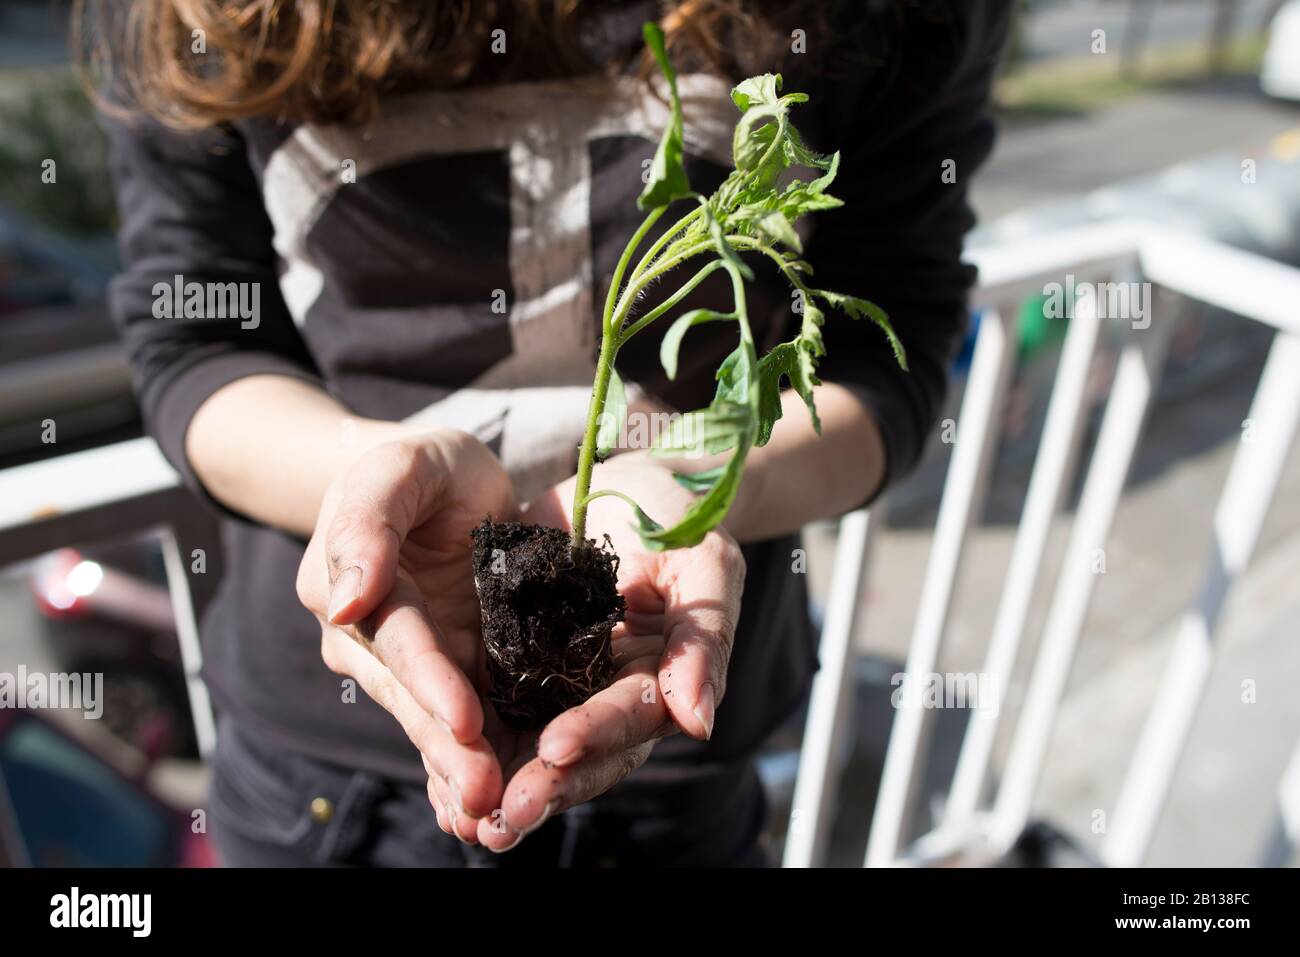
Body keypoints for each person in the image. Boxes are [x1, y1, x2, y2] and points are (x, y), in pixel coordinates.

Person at [88, 0, 1010, 866]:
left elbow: (886, 350)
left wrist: (696, 485)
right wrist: (376, 489)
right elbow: (196, 339)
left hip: (679, 735)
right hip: (324, 773)